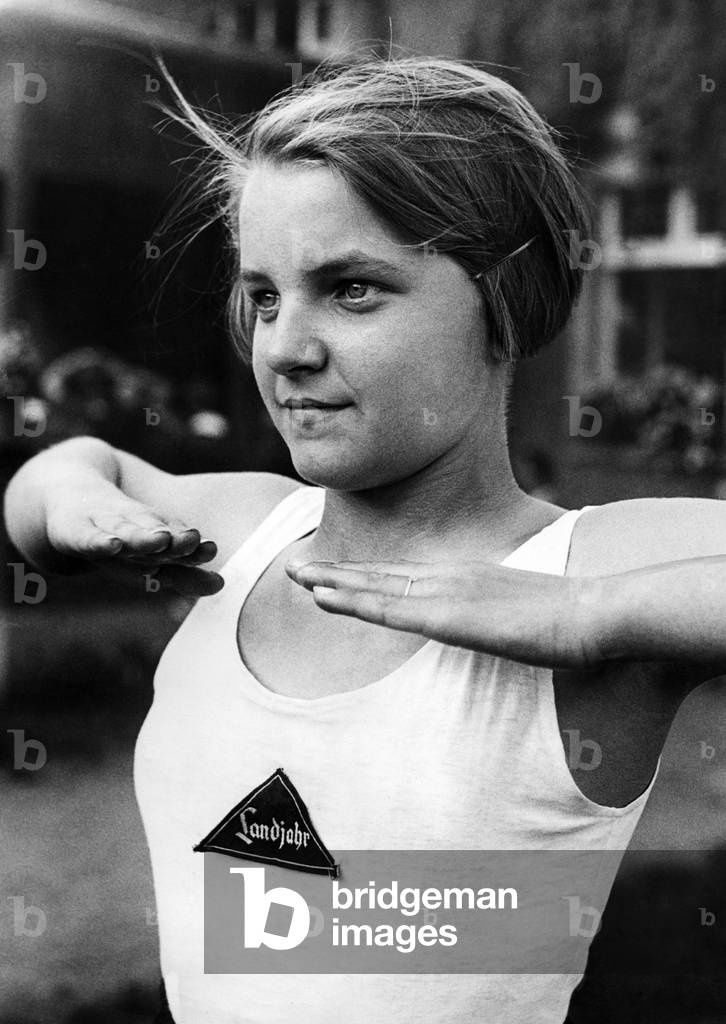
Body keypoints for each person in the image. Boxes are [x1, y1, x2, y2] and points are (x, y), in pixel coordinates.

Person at [5, 55, 726, 1024]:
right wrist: (68, 504)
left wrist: (592, 615)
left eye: (350, 289)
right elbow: (62, 476)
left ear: (503, 299)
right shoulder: (243, 536)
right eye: (264, 295)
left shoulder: (576, 571)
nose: (285, 347)